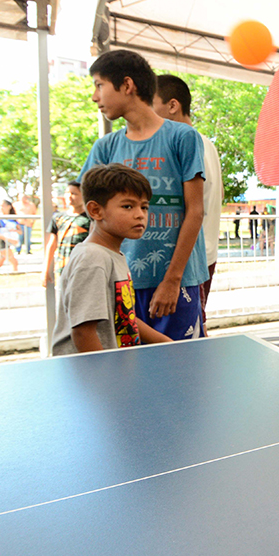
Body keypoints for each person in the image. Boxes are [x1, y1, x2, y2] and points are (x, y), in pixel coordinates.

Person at [80, 50, 209, 341]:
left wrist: (172, 281)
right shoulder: (105, 147)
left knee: (180, 369)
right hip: (121, 283)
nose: (94, 96)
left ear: (127, 85)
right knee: (130, 373)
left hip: (177, 282)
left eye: (100, 85)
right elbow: (90, 213)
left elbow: (195, 211)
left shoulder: (183, 137)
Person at [51, 164, 171, 355]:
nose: (140, 214)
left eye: (144, 207)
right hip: (91, 376)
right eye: (127, 206)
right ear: (96, 211)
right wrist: (107, 378)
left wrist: (169, 344)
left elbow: (125, 316)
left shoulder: (113, 255)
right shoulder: (93, 258)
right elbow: (83, 333)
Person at [153, 74, 223, 329]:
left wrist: (173, 274)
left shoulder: (185, 144)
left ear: (173, 106)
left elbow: (194, 210)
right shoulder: (206, 144)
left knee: (189, 331)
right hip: (200, 256)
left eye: (151, 104)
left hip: (191, 261)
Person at [41, 181, 91, 287]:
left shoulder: (90, 219)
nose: (70, 196)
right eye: (67, 192)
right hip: (62, 268)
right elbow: (52, 244)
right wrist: (45, 270)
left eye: (74, 193)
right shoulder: (58, 218)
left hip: (84, 269)